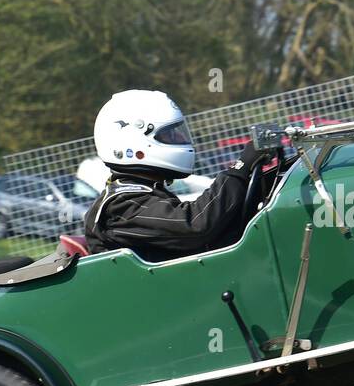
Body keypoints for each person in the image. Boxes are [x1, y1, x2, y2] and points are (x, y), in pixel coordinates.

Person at [83, 89, 274, 262]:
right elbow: (195, 225)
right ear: (133, 143)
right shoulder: (121, 206)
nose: (179, 140)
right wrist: (239, 169)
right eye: (169, 135)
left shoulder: (144, 193)